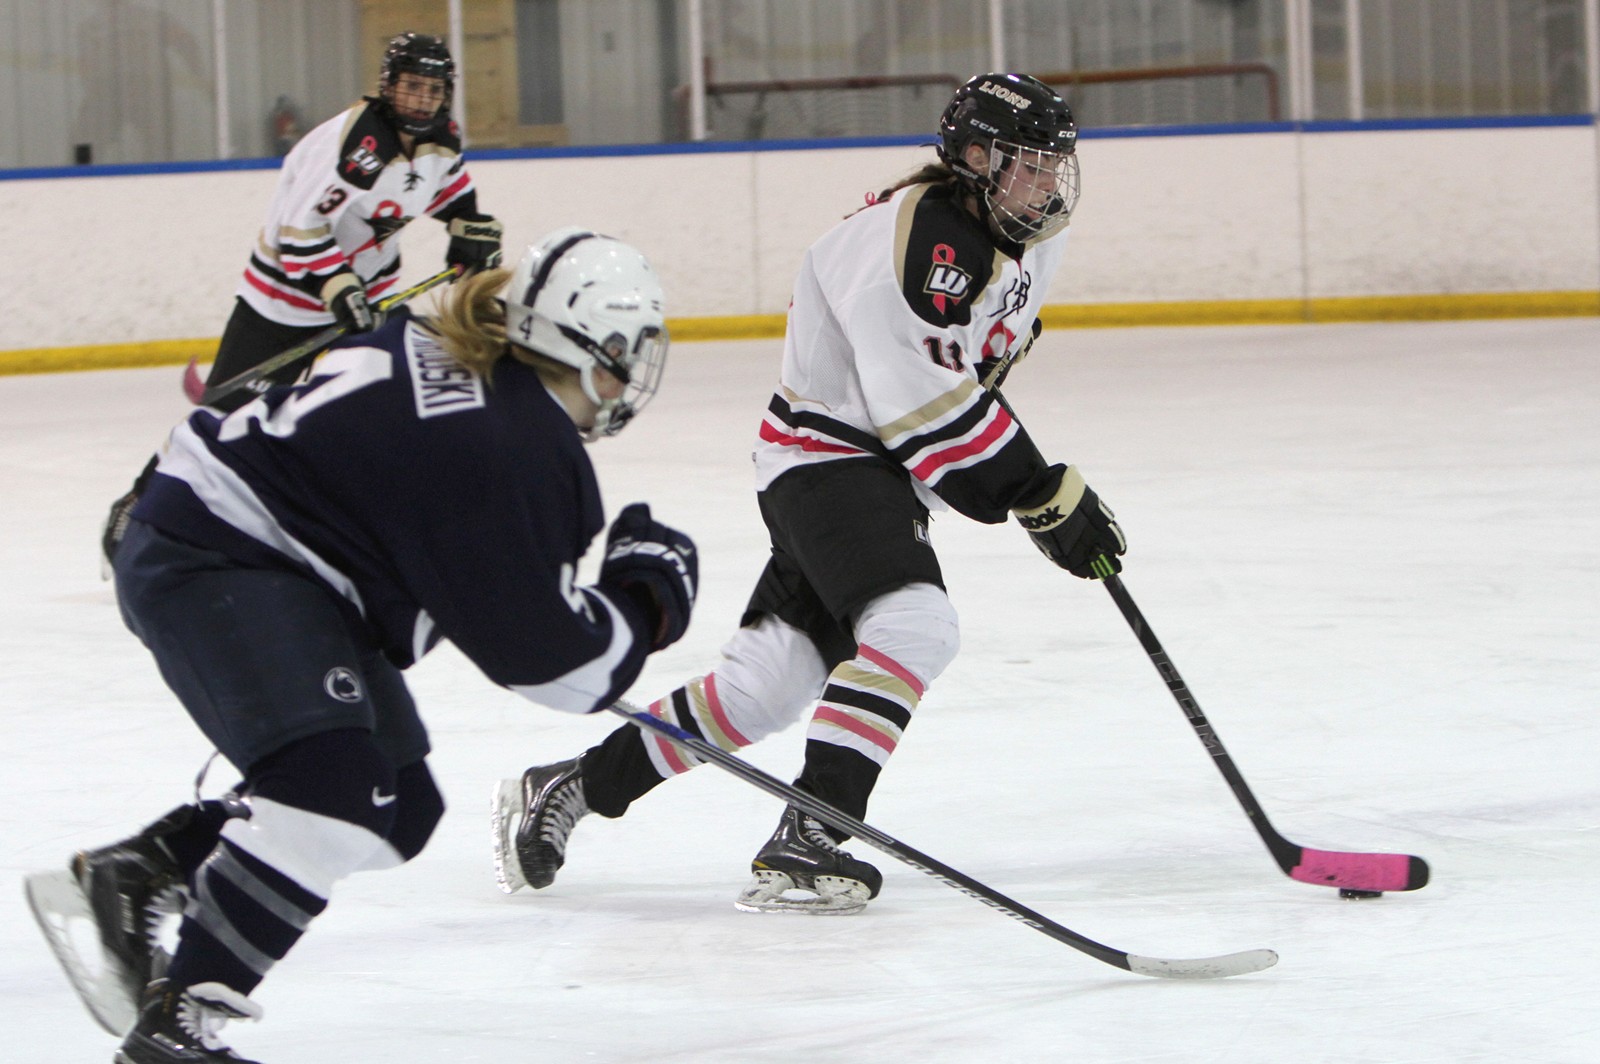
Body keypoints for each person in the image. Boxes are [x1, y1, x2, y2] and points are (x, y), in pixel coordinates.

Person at [25, 229, 695, 1062]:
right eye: (628, 357)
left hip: (239, 546)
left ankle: (144, 871)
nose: (630, 380)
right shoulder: (512, 442)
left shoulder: (447, 345)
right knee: (332, 792)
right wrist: (649, 593)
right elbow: (559, 669)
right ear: (597, 350)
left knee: (398, 808)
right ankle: (179, 1026)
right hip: (222, 557)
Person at [491, 73, 1126, 916]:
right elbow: (919, 398)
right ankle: (815, 828)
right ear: (976, 158)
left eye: (1056, 167)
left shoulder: (1021, 235)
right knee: (914, 626)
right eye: (1030, 165)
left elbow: (961, 378)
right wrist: (1033, 487)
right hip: (827, 460)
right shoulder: (912, 241)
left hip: (875, 473)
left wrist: (1039, 492)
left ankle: (566, 785)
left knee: (763, 688)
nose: (1048, 185)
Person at [100, 31, 504, 565]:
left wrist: (467, 225)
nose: (422, 100)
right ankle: (139, 504)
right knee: (224, 417)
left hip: (372, 294)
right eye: (412, 87)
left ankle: (385, 525)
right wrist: (337, 287)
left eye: (433, 89)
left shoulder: (441, 139)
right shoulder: (355, 148)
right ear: (388, 88)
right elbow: (300, 229)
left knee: (391, 402)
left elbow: (445, 190)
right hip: (282, 300)